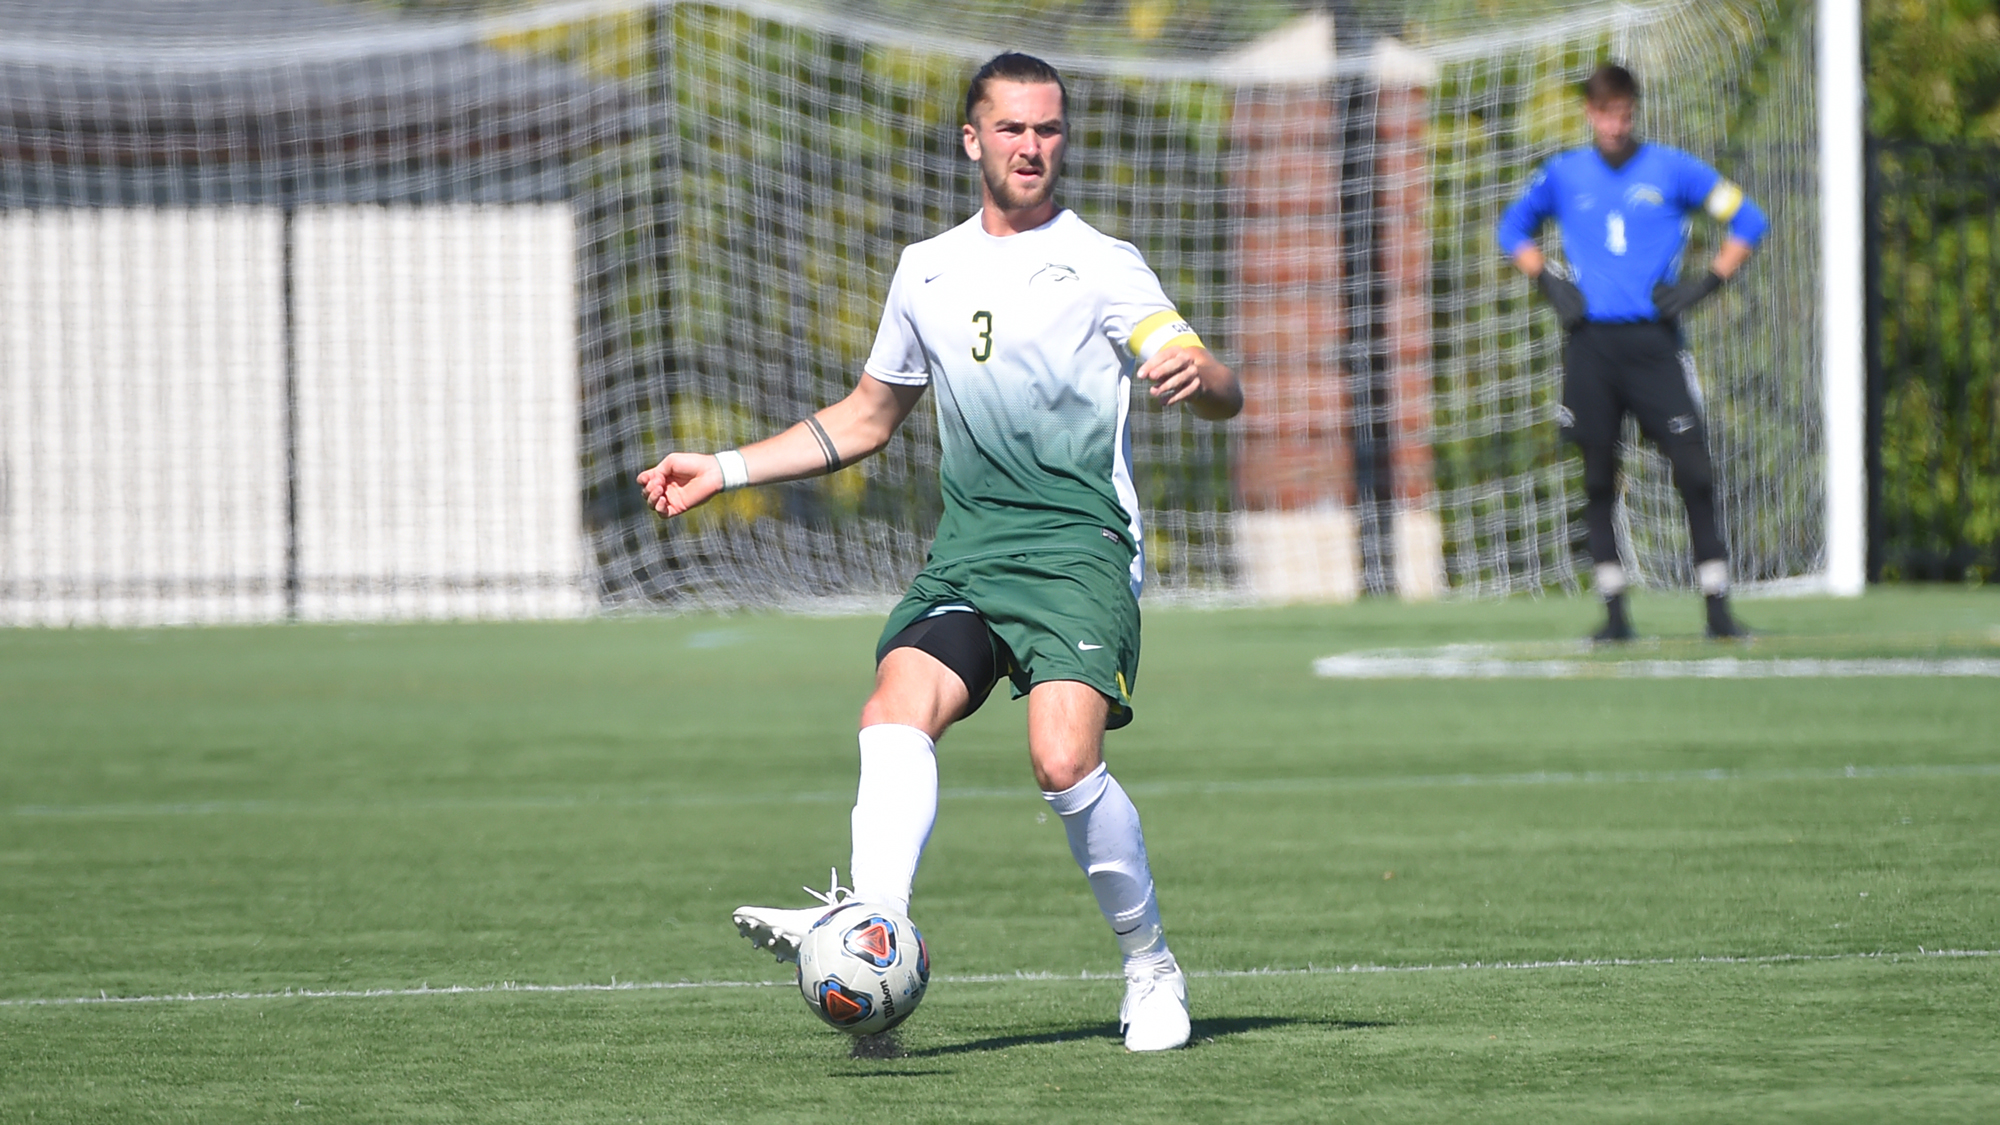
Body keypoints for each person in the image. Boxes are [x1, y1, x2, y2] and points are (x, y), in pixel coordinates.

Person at [637, 51, 1242, 1052]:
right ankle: (870, 920)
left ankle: (1149, 967)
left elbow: (1213, 383)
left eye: (1047, 128)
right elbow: (868, 417)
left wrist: (1200, 375)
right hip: (969, 554)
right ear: (972, 140)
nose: (1031, 146)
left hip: (1077, 552)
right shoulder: (926, 267)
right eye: (1011, 128)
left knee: (1061, 759)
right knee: (893, 709)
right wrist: (726, 467)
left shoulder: (1101, 263)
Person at [1498, 63, 1768, 641]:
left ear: (1633, 111)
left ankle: (1717, 609)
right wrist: (1548, 281)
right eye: (1604, 115)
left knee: (1693, 470)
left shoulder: (1674, 168)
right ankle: (1615, 615)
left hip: (1654, 345)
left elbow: (1749, 220)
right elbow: (1511, 230)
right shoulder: (1563, 173)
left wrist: (1705, 283)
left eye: (1623, 114)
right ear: (1589, 114)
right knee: (1599, 476)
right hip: (1592, 346)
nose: (1614, 126)